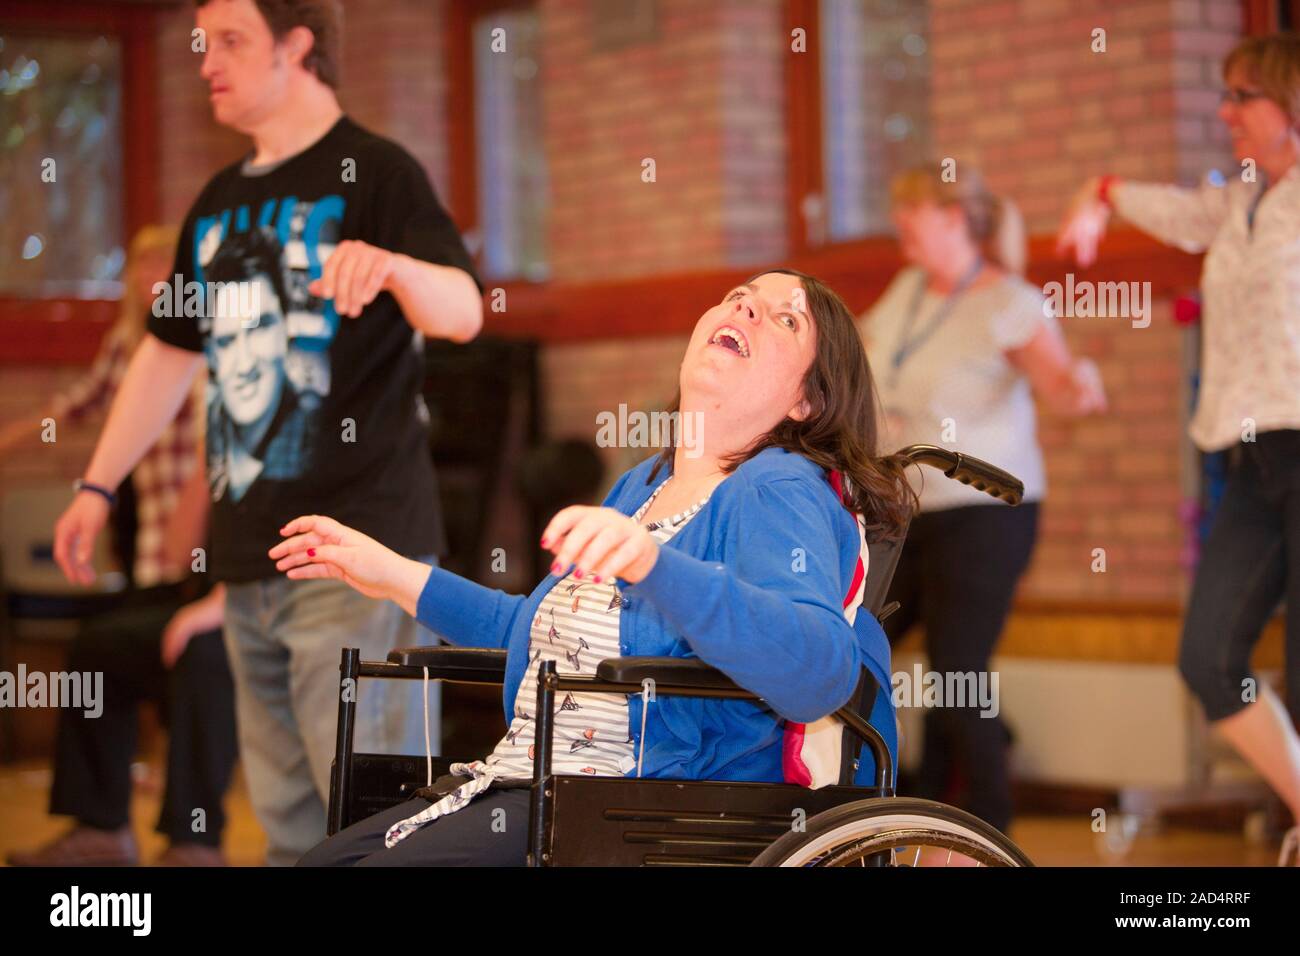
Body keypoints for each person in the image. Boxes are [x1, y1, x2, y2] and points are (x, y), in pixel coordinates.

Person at [275, 270, 915, 866]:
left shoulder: (777, 485)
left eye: (786, 321)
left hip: (632, 806)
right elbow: (537, 632)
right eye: (741, 295)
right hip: (527, 781)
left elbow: (818, 670)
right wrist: (390, 573)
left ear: (808, 400)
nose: (747, 306)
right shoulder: (645, 485)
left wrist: (653, 565)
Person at [50, 0, 483, 866]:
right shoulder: (216, 203)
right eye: (203, 45)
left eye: (233, 42)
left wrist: (396, 268)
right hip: (250, 565)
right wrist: (96, 485)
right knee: (288, 828)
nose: (209, 62)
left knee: (373, 826)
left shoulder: (379, 172)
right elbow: (167, 358)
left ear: (298, 45)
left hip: (359, 556)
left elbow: (466, 310)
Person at [1057, 32, 1300, 866]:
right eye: (1223, 95)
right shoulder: (1237, 200)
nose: (1225, 112)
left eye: (1242, 97)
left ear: (1288, 104)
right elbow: (1169, 208)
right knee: (1208, 658)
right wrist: (1100, 190)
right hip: (1244, 462)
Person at [860, 164, 1106, 834]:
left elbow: (1059, 389)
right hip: (909, 511)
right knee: (861, 638)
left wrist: (1079, 388)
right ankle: (910, 804)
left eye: (912, 211)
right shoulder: (907, 289)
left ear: (954, 219)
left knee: (957, 664)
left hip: (989, 512)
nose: (900, 223)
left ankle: (989, 823)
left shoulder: (1010, 302)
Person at [7, 457, 236, 867]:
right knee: (98, 649)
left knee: (203, 651)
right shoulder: (222, 434)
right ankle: (101, 829)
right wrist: (207, 456)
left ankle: (194, 842)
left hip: (273, 602)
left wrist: (222, 604)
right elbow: (180, 549)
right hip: (210, 596)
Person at [0, 224, 200, 590]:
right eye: (143, 265)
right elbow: (73, 406)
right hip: (148, 519)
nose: (150, 276)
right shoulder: (123, 344)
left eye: (161, 265)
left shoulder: (205, 339)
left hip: (198, 519)